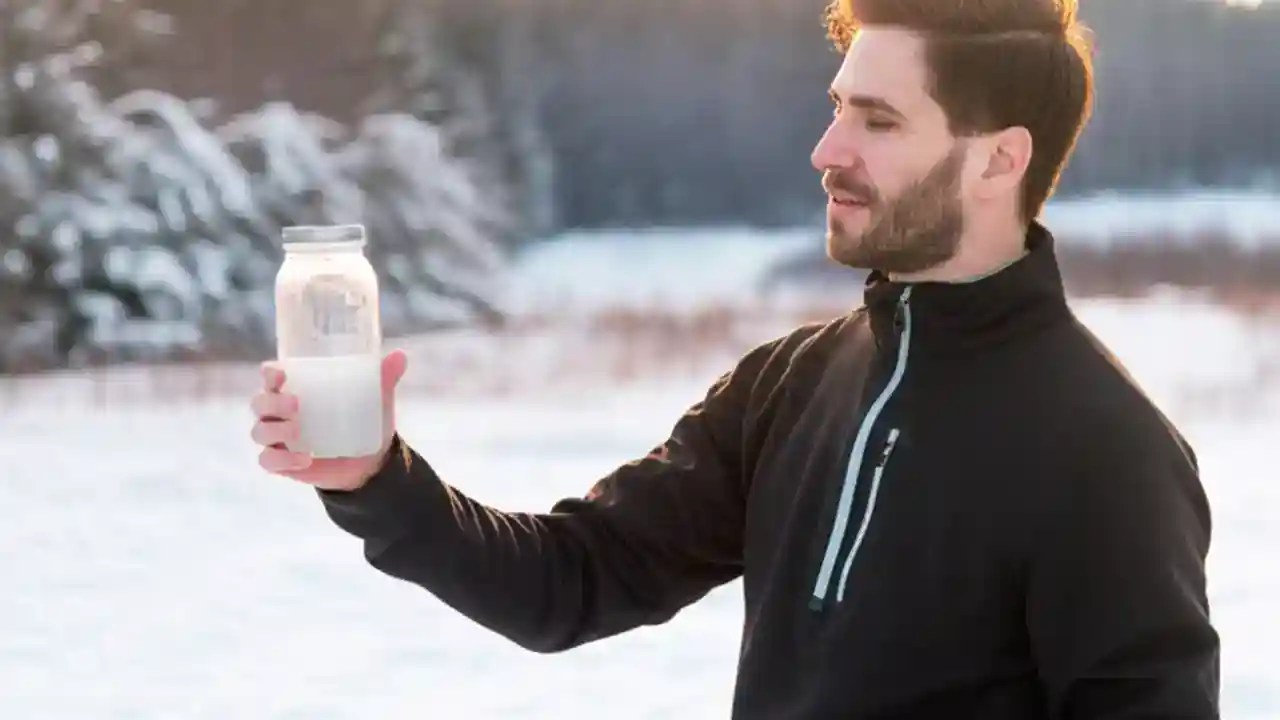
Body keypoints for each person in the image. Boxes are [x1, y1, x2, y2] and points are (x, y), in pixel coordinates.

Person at [250, 1, 1220, 717]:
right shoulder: (786, 386)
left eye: (878, 121)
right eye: (837, 108)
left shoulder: (1106, 453)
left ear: (998, 159)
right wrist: (379, 481)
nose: (826, 149)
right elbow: (571, 579)